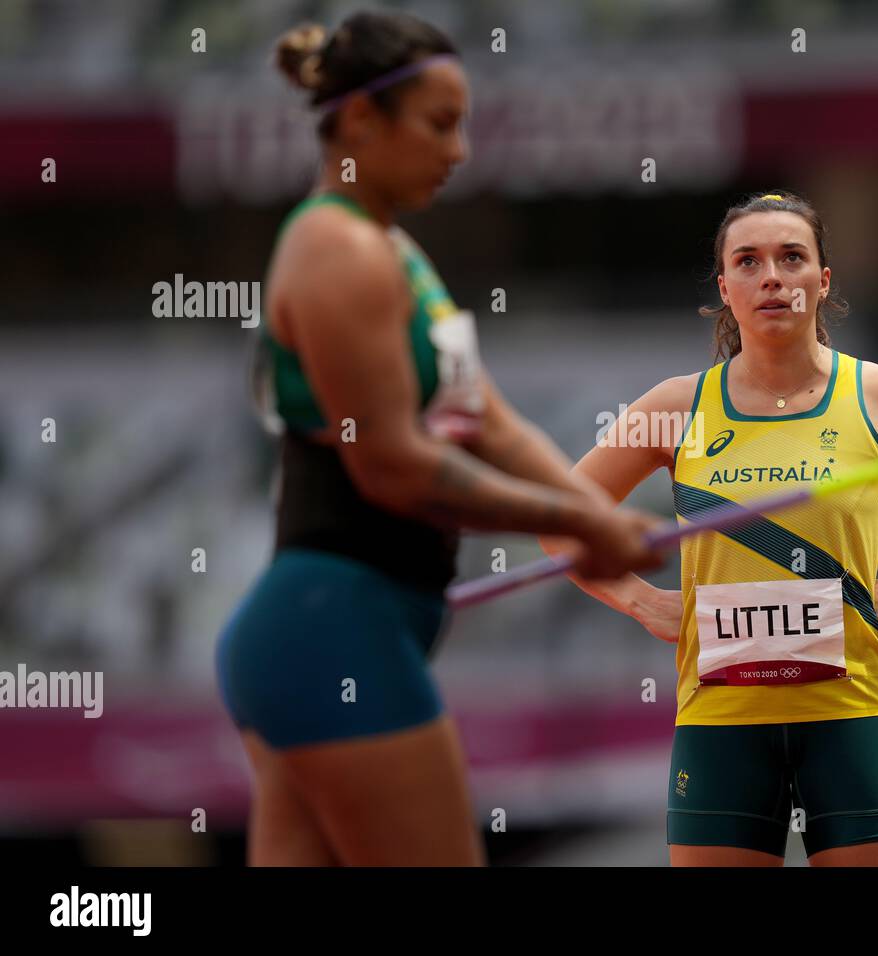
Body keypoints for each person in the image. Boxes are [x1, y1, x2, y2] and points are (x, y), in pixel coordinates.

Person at [215, 11, 662, 866]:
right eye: (439, 124)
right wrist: (581, 523)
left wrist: (590, 512)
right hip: (332, 629)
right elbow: (393, 467)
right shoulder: (338, 249)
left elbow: (484, 420)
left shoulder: (396, 254)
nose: (459, 152)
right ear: (360, 121)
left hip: (322, 634)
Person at [541, 191, 878, 866]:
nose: (771, 276)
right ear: (725, 288)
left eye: (791, 257)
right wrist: (640, 601)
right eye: (748, 261)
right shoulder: (676, 408)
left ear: (822, 282)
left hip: (852, 719)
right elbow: (558, 518)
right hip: (722, 724)